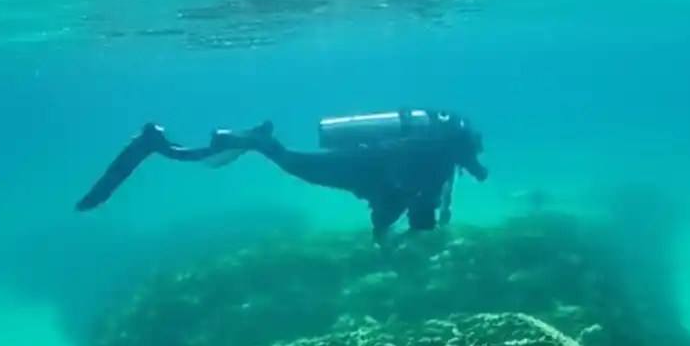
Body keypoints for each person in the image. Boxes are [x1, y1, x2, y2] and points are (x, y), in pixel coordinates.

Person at [74, 109, 489, 245]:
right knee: (289, 161)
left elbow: (405, 203)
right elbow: (414, 207)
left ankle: (240, 141)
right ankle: (242, 141)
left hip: (362, 170)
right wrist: (392, 236)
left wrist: (388, 228)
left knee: (293, 163)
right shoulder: (434, 162)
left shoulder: (434, 155)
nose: (471, 167)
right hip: (357, 168)